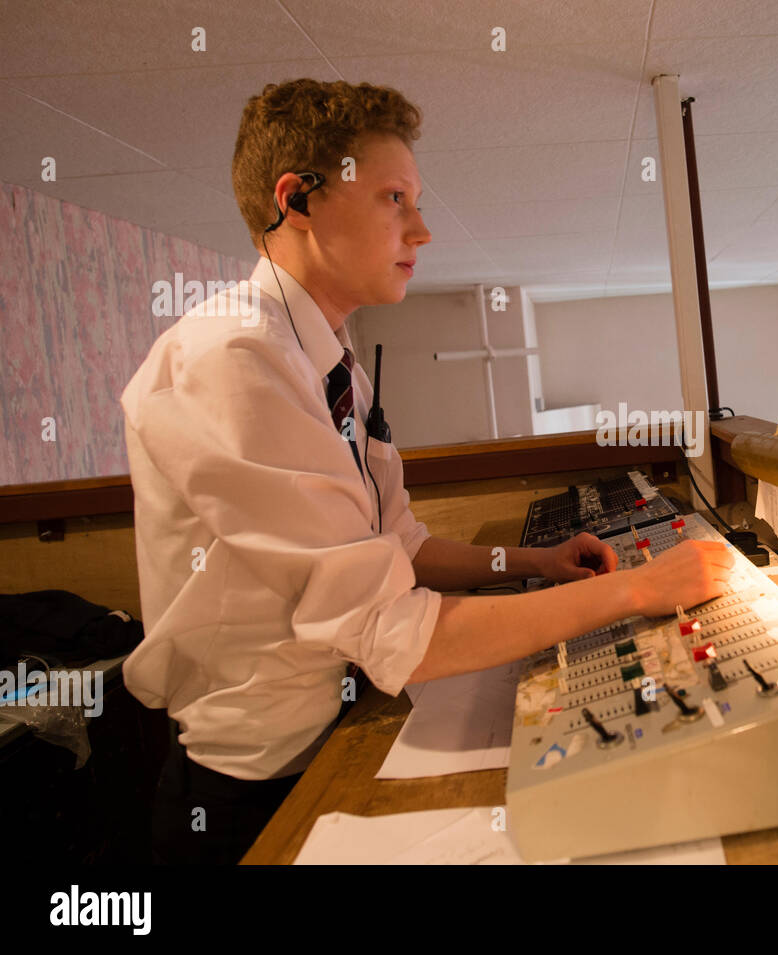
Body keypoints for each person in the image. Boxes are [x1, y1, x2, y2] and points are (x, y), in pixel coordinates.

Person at [119, 78, 734, 865]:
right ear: (296, 201)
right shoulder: (232, 359)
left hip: (336, 728)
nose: (423, 229)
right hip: (253, 793)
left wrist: (534, 561)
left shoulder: (331, 361)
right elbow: (394, 633)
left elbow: (397, 543)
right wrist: (640, 589)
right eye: (394, 198)